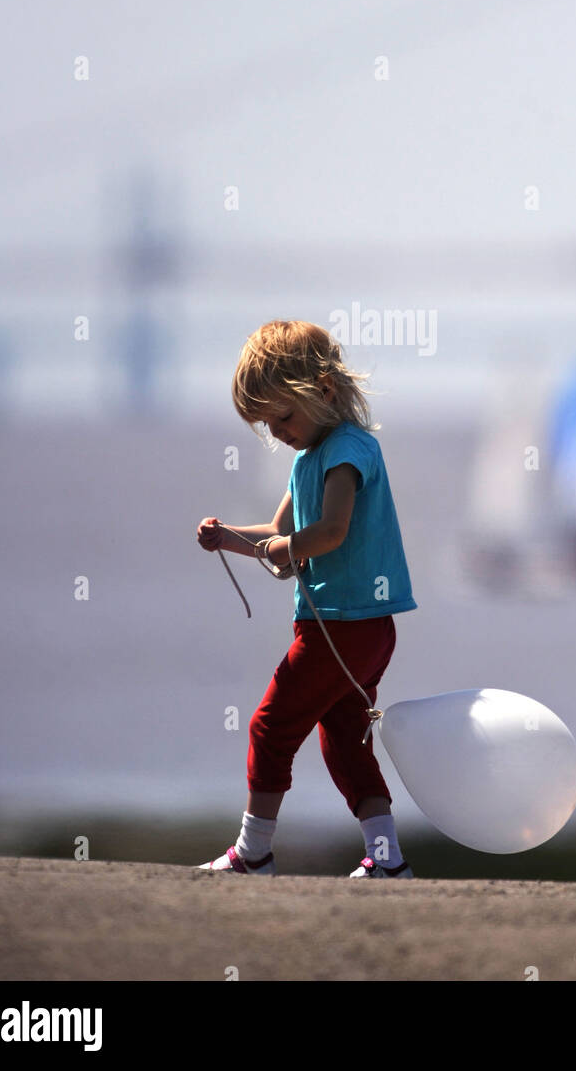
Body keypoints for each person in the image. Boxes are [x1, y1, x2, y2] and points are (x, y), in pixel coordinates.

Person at [196, 319, 418, 878]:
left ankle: (253, 853)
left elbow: (331, 531)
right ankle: (389, 862)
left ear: (321, 391)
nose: (279, 433)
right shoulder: (307, 461)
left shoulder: (346, 451)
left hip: (342, 628)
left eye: (283, 417)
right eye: (267, 425)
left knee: (270, 727)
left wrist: (285, 546)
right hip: (364, 629)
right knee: (344, 741)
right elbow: (278, 537)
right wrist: (229, 539)